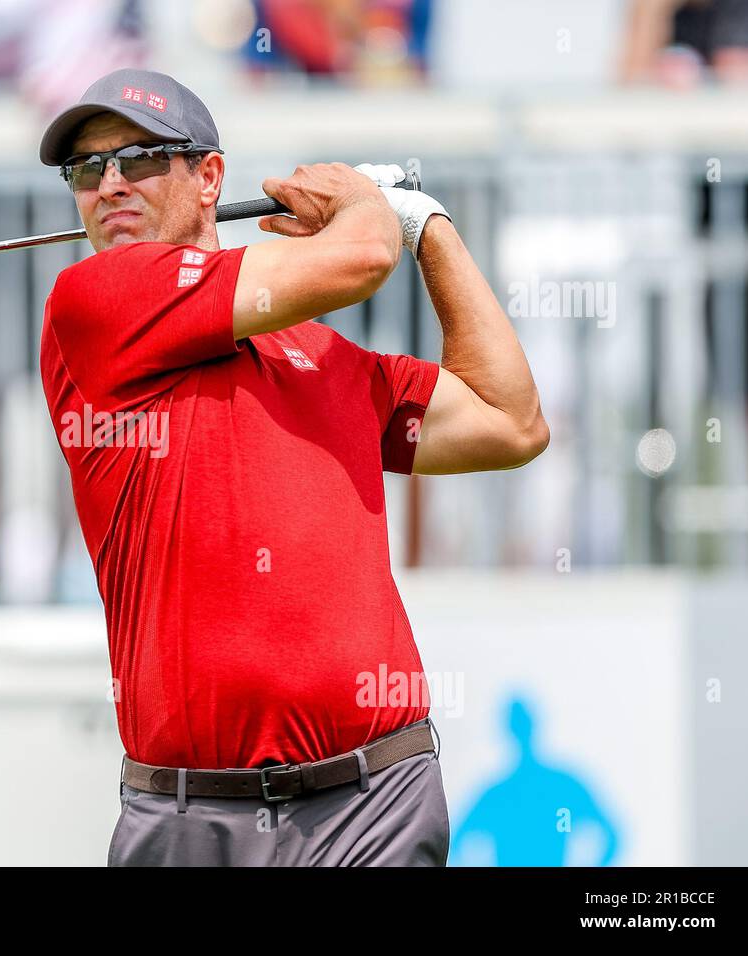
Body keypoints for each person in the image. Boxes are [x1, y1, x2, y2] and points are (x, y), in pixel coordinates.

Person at [37, 68, 548, 866]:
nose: (108, 184)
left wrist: (431, 228)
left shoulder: (323, 353)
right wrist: (374, 209)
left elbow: (510, 421)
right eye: (84, 169)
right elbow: (362, 257)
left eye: (137, 160)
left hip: (374, 798)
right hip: (188, 815)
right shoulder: (95, 301)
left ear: (208, 178)